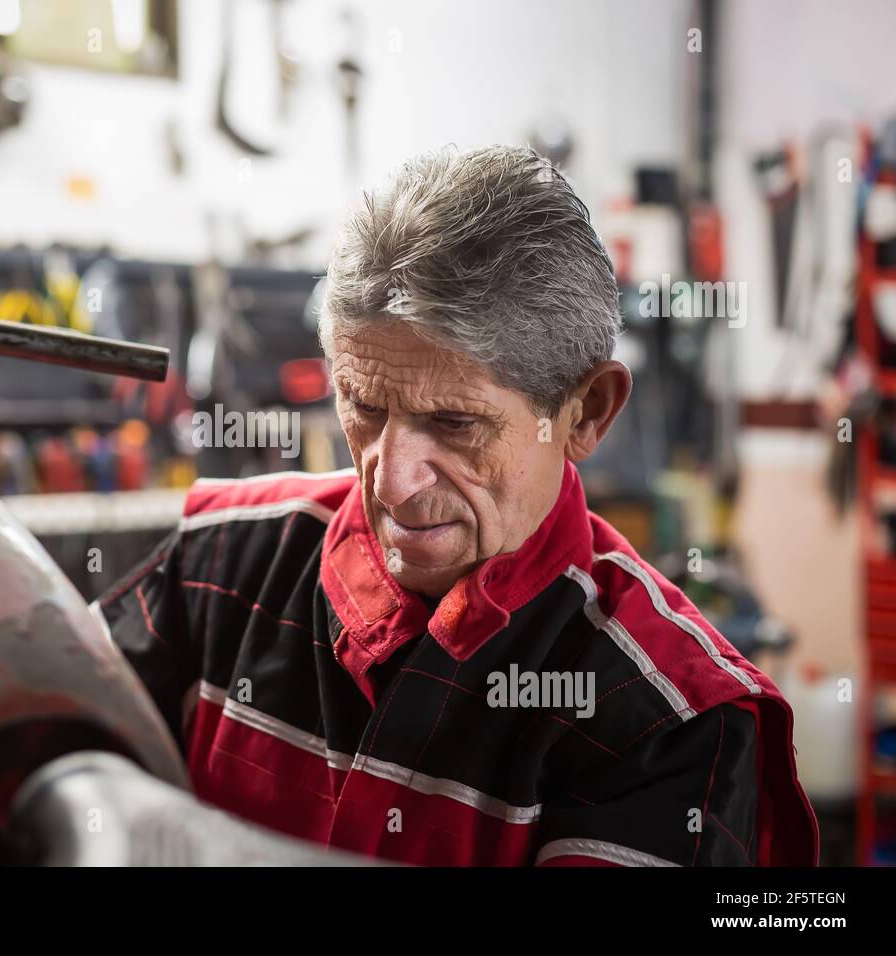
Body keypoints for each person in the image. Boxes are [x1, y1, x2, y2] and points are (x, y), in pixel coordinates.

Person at [92, 144, 818, 866]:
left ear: (585, 412)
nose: (391, 482)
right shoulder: (218, 560)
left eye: (455, 422)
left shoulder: (667, 715)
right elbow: (38, 753)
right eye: (364, 406)